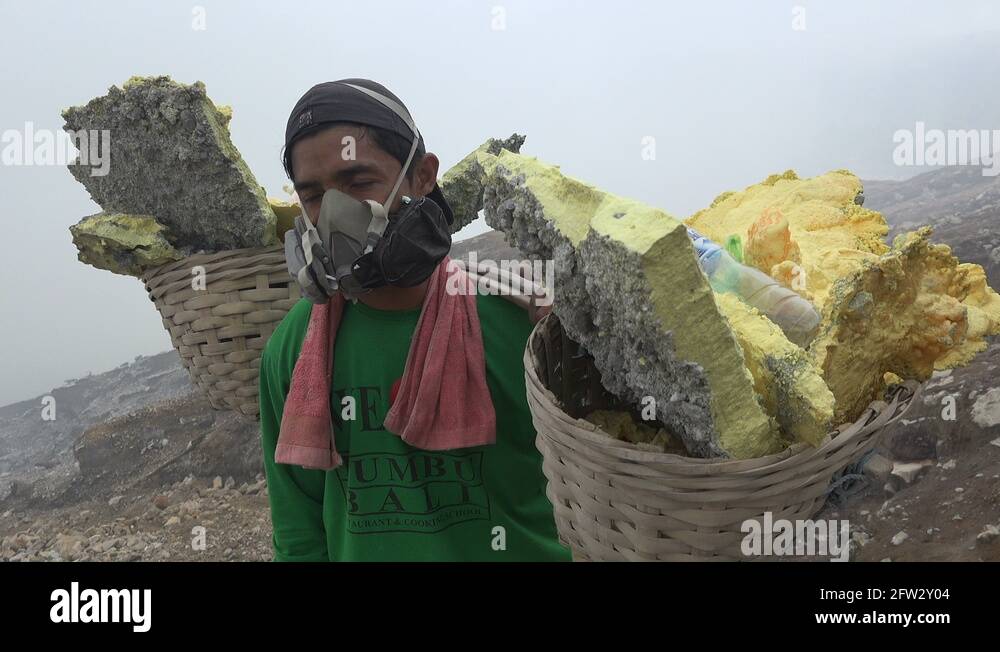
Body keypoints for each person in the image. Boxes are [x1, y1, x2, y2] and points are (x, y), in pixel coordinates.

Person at [258, 78, 571, 561]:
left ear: (422, 176)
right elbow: (299, 534)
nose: (335, 213)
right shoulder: (293, 349)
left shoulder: (523, 325)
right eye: (314, 194)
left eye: (359, 183)